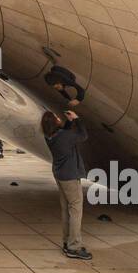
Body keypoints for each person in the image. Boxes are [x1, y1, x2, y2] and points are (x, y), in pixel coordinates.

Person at [42, 109, 92, 259]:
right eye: (57, 117)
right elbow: (83, 136)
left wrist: (69, 122)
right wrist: (77, 119)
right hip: (70, 175)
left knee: (66, 208)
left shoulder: (50, 136)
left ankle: (66, 242)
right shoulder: (64, 136)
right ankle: (74, 246)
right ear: (54, 122)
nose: (59, 118)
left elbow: (64, 132)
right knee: (76, 209)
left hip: (60, 174)